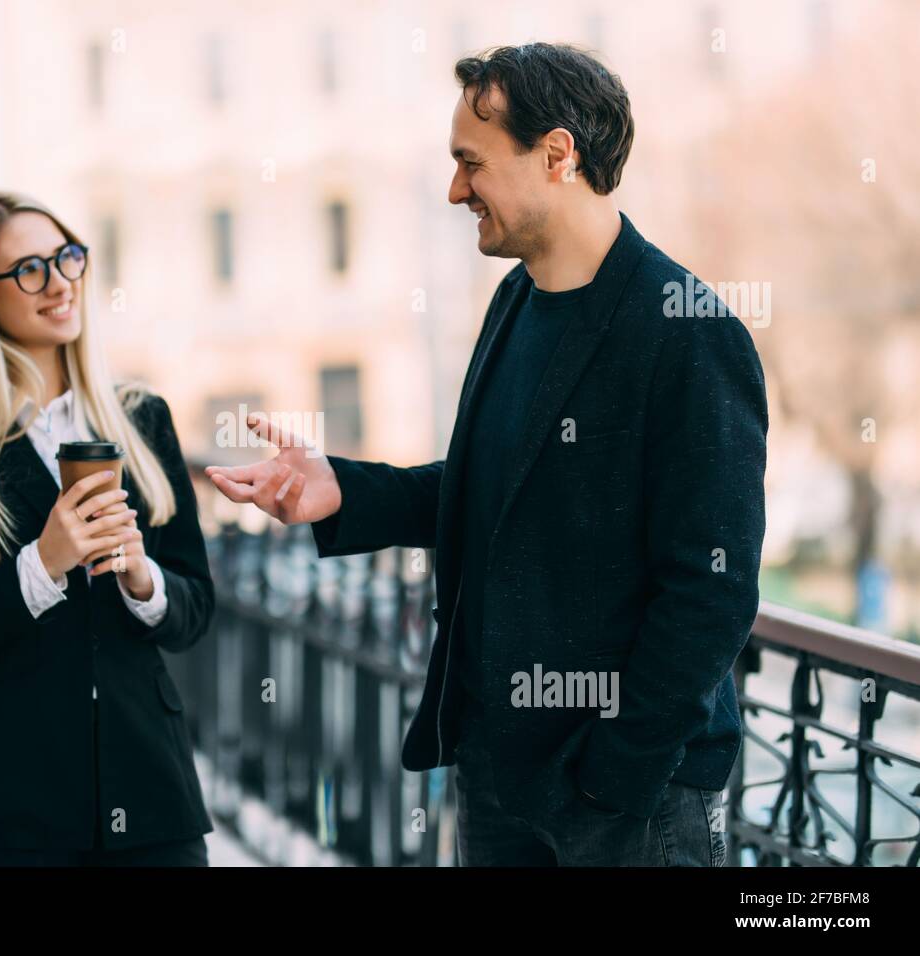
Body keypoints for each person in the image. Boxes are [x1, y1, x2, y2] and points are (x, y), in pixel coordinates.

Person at [207, 43, 767, 867]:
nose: (454, 189)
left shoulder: (688, 330)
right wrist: (341, 490)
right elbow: (500, 488)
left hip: (624, 805)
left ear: (556, 155)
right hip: (497, 775)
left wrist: (615, 776)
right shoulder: (514, 300)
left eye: (471, 162)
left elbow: (711, 591)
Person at [0, 191, 214, 866]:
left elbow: (195, 611)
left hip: (149, 795)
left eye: (67, 257)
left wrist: (142, 576)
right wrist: (43, 564)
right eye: (30, 269)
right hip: (4, 806)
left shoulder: (141, 417)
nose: (60, 282)